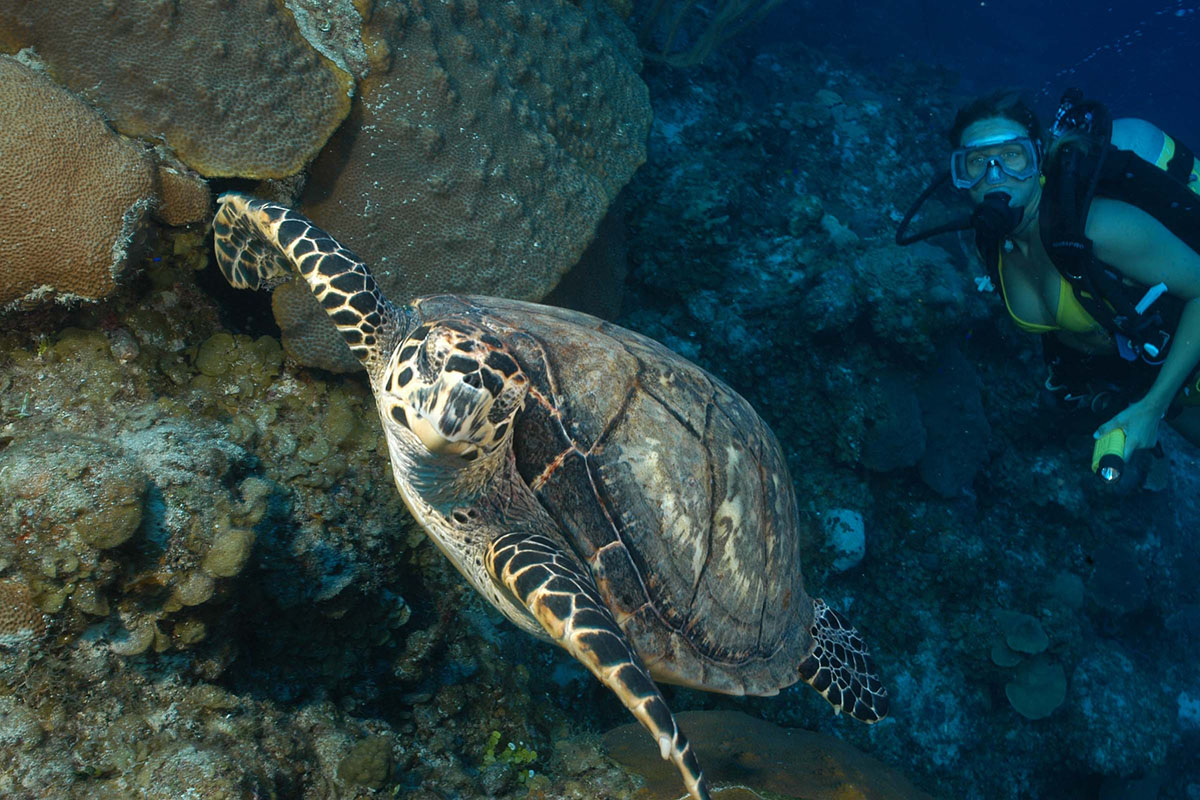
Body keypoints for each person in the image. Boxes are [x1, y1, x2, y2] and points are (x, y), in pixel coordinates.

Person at [927, 89, 1200, 468]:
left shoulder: (1097, 227)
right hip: (1172, 389)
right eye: (976, 161)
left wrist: (1151, 408)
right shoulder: (990, 243)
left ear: (1038, 158)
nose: (995, 176)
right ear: (960, 175)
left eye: (1011, 156)